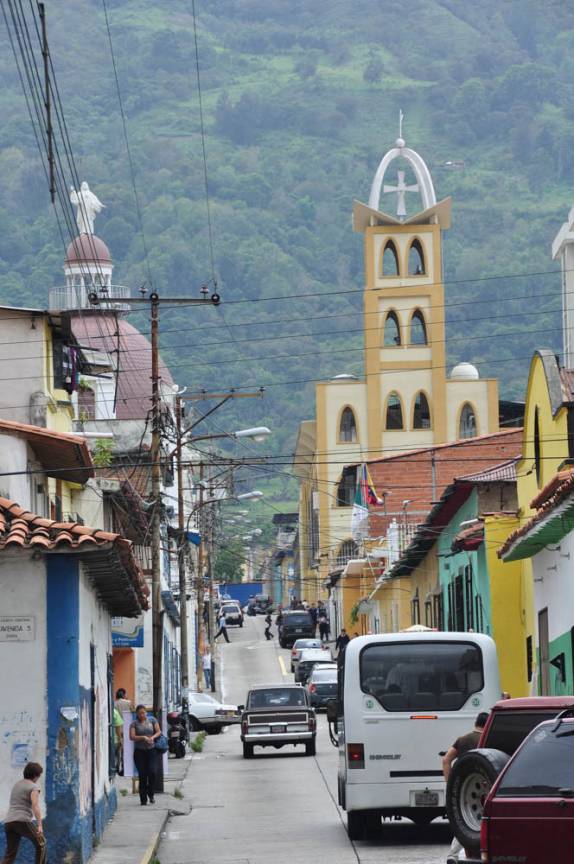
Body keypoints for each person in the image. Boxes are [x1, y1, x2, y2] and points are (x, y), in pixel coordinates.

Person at [443, 711, 489, 863]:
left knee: (465, 823)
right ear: (487, 724)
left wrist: (450, 784)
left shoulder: (462, 740)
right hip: (485, 787)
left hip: (463, 788)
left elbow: (446, 760)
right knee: (481, 823)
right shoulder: (488, 739)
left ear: (476, 722)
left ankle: (453, 855)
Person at [1, 762, 46, 864]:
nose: (38, 778)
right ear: (35, 775)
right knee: (42, 843)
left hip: (9, 822)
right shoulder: (33, 787)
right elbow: (35, 806)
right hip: (22, 821)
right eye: (39, 776)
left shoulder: (17, 785)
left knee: (10, 854)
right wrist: (39, 825)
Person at [129, 705, 161, 806]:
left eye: (143, 713)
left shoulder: (152, 720)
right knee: (142, 775)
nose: (142, 715)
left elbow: (158, 732)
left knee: (152, 772)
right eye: (140, 713)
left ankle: (151, 793)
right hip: (140, 752)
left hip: (151, 751)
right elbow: (132, 737)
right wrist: (143, 737)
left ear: (146, 713)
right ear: (137, 714)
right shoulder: (134, 724)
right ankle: (143, 799)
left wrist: (153, 737)